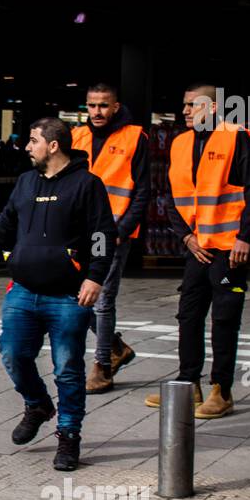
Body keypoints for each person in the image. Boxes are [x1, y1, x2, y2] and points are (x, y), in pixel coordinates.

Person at [0, 118, 117, 472]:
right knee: (12, 355)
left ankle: (68, 437)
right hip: (23, 291)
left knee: (67, 369)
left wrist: (95, 278)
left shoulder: (87, 185)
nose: (26, 146)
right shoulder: (25, 182)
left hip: (68, 296)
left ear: (53, 146)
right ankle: (37, 404)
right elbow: (5, 222)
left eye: (33, 140)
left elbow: (103, 235)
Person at [145, 83, 250, 419]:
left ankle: (221, 391)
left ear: (212, 108)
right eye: (183, 105)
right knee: (188, 315)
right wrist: (186, 238)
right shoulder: (179, 143)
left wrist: (245, 238)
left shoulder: (236, 137)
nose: (184, 111)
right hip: (196, 248)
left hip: (230, 249)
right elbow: (172, 197)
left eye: (191, 105)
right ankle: (188, 384)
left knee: (225, 318)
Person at [71, 83, 149, 393]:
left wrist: (123, 229)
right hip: (78, 232)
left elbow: (143, 189)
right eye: (91, 106)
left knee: (102, 300)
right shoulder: (77, 136)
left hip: (112, 231)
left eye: (103, 105)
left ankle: (102, 366)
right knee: (73, 294)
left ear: (115, 107)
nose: (97, 112)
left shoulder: (134, 137)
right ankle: (116, 347)